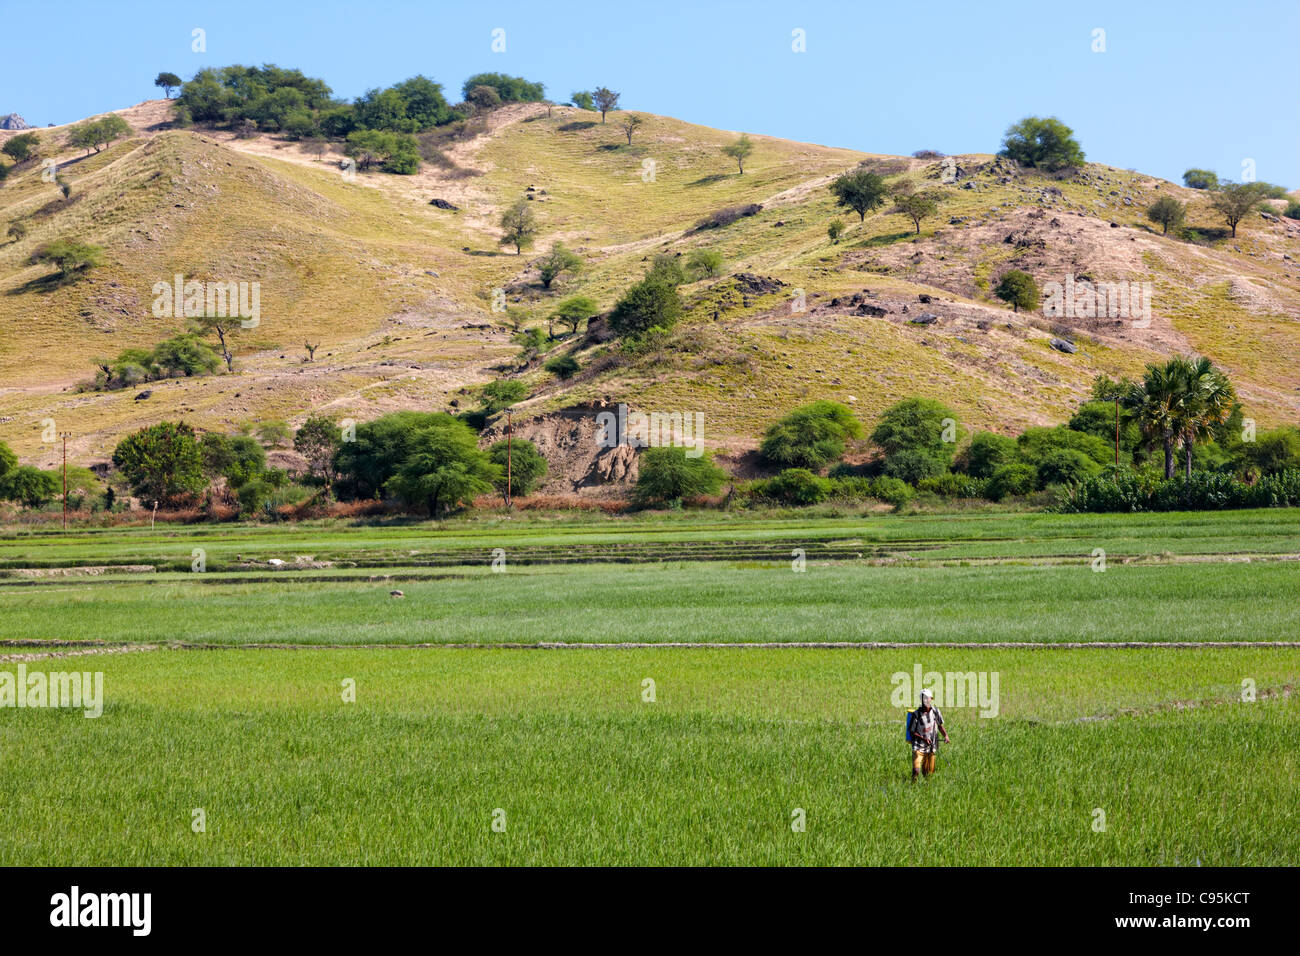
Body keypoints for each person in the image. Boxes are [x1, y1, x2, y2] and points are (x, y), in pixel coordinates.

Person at [909, 688, 949, 780]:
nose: (926, 700)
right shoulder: (916, 714)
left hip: (931, 746)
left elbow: (940, 726)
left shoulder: (935, 711)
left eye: (927, 698)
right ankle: (912, 786)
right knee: (916, 771)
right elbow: (912, 732)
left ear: (931, 699)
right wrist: (923, 739)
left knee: (928, 774)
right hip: (918, 746)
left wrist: (946, 736)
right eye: (924, 698)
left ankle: (927, 790)